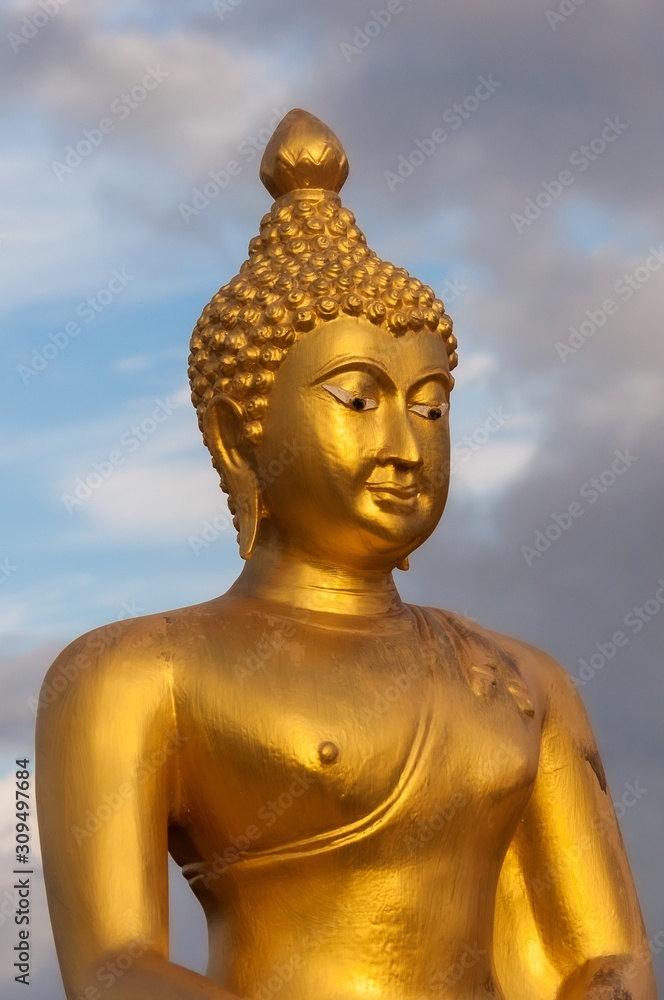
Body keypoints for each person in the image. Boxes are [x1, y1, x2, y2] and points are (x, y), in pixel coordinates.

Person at [36, 109, 656, 1000]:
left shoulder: (527, 684)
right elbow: (114, 971)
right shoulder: (137, 673)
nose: (407, 444)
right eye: (358, 398)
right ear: (236, 435)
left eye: (432, 405)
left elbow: (609, 956)